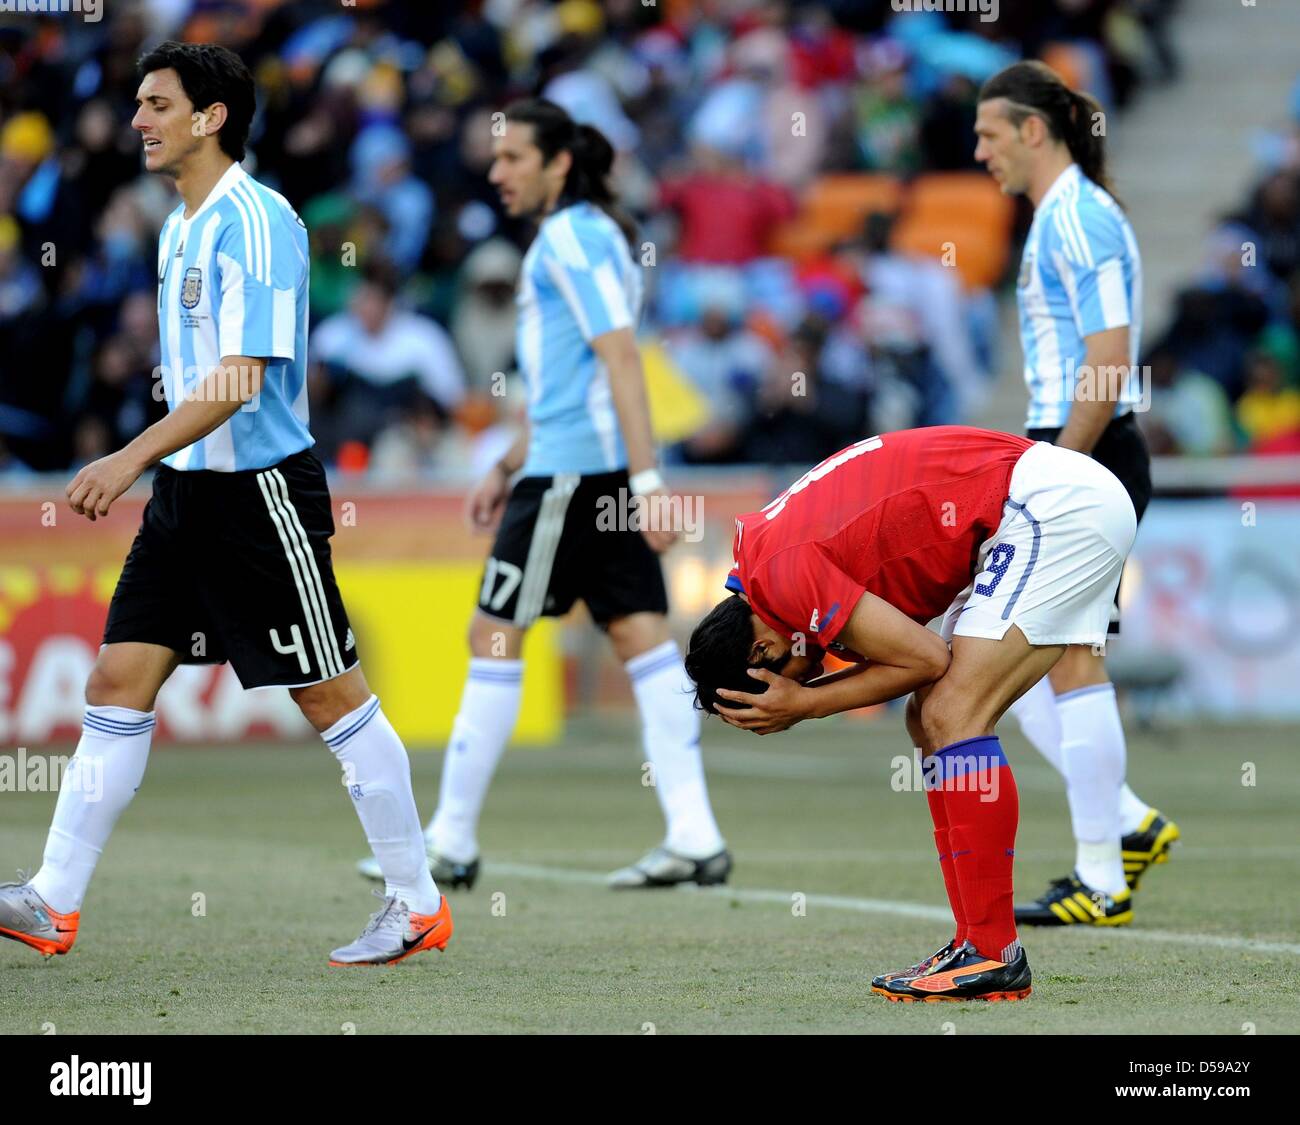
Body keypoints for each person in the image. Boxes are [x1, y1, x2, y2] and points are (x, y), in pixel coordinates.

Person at [0, 43, 448, 968]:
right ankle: (52, 898)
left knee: (331, 697)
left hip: (261, 498)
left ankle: (415, 904)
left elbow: (242, 378)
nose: (137, 120)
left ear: (210, 118)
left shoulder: (261, 219)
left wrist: (128, 453)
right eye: (135, 103)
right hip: (185, 497)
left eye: (156, 103)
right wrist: (156, 464)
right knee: (117, 681)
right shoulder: (178, 226)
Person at [357, 100, 729, 891]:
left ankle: (450, 840)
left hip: (571, 476)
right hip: (576, 463)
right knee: (641, 639)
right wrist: (507, 460)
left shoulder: (571, 236)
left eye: (514, 158)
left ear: (558, 163)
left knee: (492, 633)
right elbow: (579, 378)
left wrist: (650, 479)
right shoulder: (595, 236)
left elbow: (623, 359)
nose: (497, 173)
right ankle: (695, 835)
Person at [685, 425, 1137, 1001]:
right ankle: (974, 940)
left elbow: (924, 659)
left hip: (1048, 505)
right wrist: (804, 697)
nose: (808, 675)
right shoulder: (765, 565)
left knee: (952, 710)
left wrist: (805, 704)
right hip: (1035, 505)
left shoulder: (782, 576)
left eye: (776, 683)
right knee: (928, 719)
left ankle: (994, 953)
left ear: (760, 653)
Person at [974, 60, 1179, 926]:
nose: (978, 150)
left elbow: (1109, 357)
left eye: (988, 133)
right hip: (1070, 447)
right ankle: (1125, 823)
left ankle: (1104, 875)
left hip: (1086, 447)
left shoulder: (1081, 217)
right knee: (1010, 662)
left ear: (1032, 130)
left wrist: (1063, 463)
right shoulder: (1064, 215)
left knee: (1064, 657)